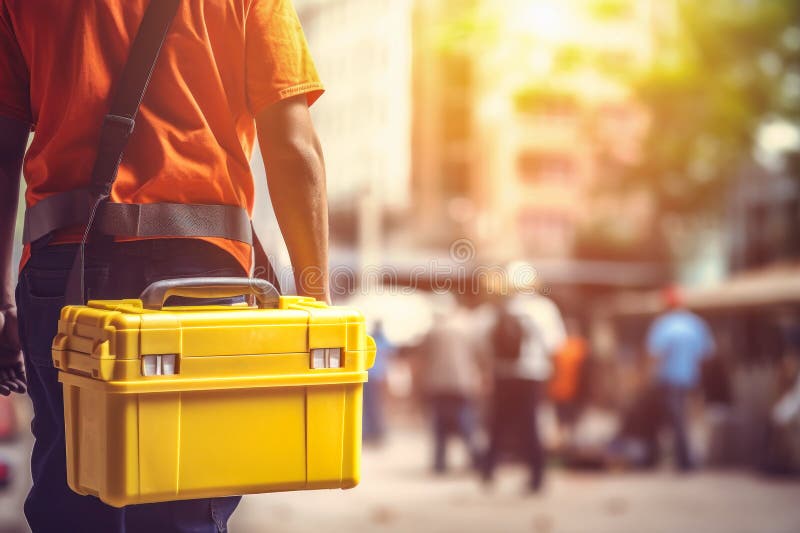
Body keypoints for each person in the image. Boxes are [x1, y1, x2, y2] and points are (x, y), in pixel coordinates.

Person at [0, 2, 328, 531]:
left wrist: (2, 301)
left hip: (66, 272)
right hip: (204, 276)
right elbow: (292, 148)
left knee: (75, 490)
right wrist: (316, 299)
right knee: (191, 493)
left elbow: (3, 147)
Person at [481, 290, 566, 492]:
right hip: (533, 374)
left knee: (497, 424)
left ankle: (488, 471)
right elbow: (556, 344)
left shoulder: (501, 306)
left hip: (502, 373)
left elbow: (483, 340)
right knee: (530, 425)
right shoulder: (544, 308)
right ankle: (536, 477)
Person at [646, 285, 715, 471]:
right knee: (685, 419)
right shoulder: (696, 324)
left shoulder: (664, 324)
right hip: (691, 378)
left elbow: (654, 354)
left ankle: (681, 460)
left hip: (668, 379)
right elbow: (706, 354)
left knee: (674, 419)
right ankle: (682, 458)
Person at [420, 301, 487, 474]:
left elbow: (424, 356)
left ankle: (439, 462)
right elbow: (479, 354)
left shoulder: (434, 331)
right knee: (466, 422)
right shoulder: (466, 329)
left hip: (438, 382)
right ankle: (475, 457)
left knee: (440, 424)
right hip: (462, 382)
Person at [548, 318, 590, 451]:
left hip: (562, 391)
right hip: (570, 392)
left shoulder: (559, 347)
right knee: (570, 422)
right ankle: (568, 447)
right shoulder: (580, 347)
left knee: (563, 423)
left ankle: (565, 447)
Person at [363, 320, 393, 445]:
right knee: (374, 407)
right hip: (376, 378)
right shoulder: (384, 341)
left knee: (370, 407)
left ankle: (372, 433)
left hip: (369, 377)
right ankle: (375, 433)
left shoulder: (370, 340)